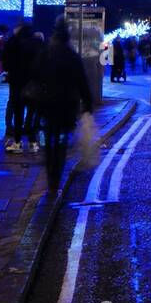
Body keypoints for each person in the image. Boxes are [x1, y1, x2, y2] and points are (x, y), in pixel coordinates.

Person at [32, 16, 94, 192]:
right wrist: (87, 104)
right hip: (67, 104)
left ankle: (49, 161)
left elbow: (34, 74)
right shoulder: (72, 55)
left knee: (48, 133)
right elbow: (82, 81)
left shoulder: (46, 52)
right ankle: (56, 172)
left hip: (46, 103)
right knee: (63, 138)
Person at [2, 20, 41, 153]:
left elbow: (5, 60)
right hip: (33, 83)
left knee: (18, 113)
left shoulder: (13, 42)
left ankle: (17, 143)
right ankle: (33, 143)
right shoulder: (37, 42)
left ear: (18, 29)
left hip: (17, 83)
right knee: (31, 113)